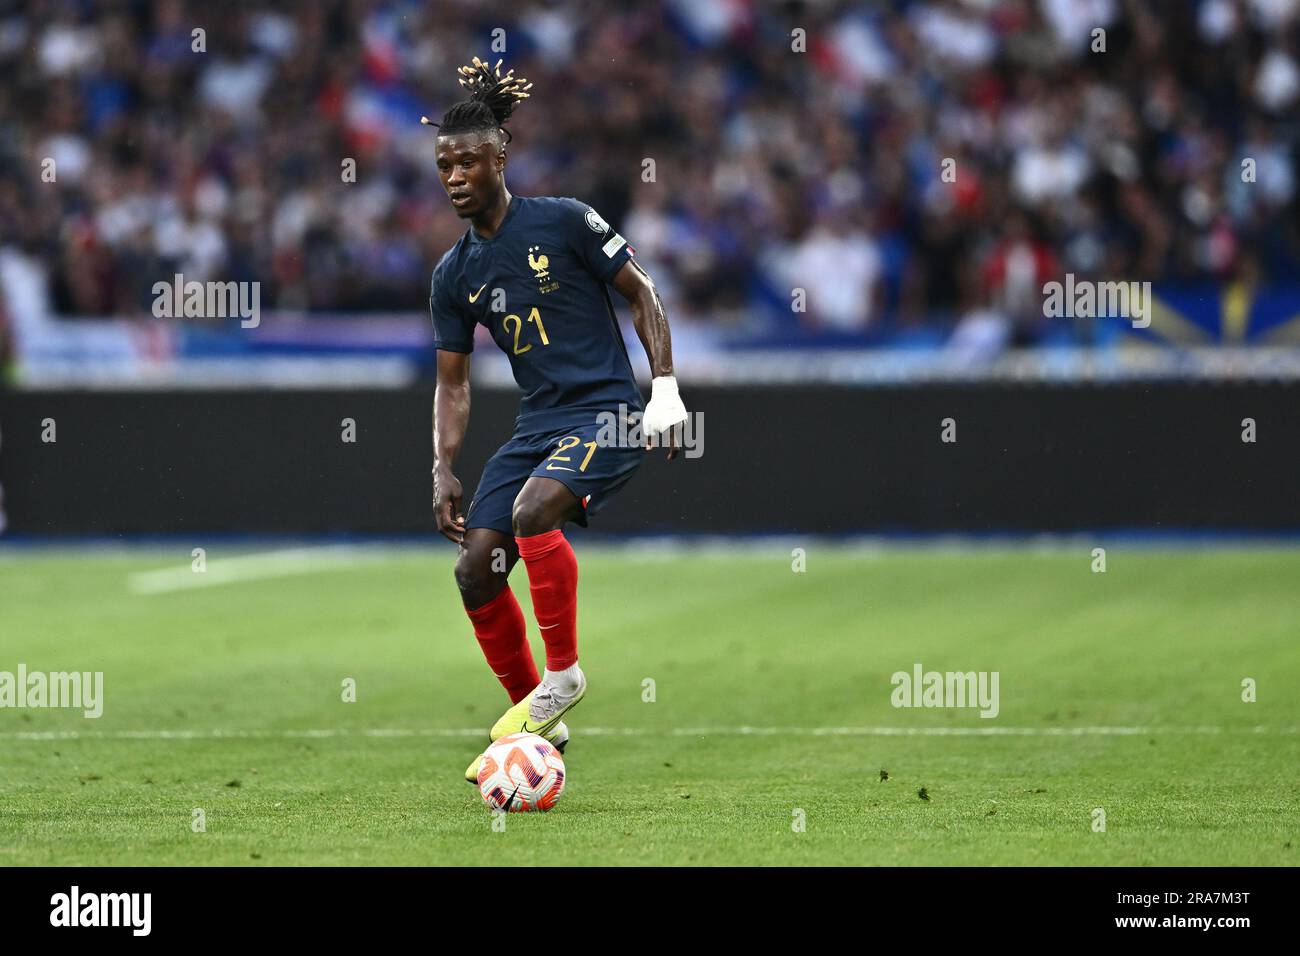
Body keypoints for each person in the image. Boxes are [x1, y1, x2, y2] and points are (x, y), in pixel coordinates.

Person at [426, 58, 688, 783]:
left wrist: (664, 387)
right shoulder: (453, 275)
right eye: (444, 165)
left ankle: (563, 674)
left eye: (468, 161)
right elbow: (453, 383)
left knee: (534, 510)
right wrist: (445, 462)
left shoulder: (567, 221)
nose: (454, 176)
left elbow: (643, 294)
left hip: (606, 412)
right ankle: (541, 729)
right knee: (476, 569)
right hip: (539, 423)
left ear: (500, 159)